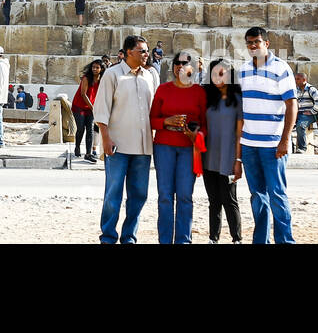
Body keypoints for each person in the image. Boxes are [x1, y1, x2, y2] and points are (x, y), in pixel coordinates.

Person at [95, 35, 156, 244]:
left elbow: (154, 110)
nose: (147, 54)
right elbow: (101, 109)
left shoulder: (150, 77)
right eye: (143, 51)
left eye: (147, 51)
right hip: (118, 146)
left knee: (139, 195)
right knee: (113, 195)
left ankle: (129, 236)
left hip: (143, 146)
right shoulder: (112, 75)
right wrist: (105, 139)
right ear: (129, 52)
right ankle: (108, 236)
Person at [240, 26, 297, 244]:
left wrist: (284, 141)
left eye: (257, 42)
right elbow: (241, 108)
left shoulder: (281, 68)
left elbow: (292, 105)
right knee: (257, 197)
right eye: (249, 43)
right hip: (249, 143)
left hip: (273, 144)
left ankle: (285, 240)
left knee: (278, 195)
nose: (253, 46)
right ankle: (260, 241)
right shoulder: (243, 69)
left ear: (266, 43)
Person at [151, 48, 207, 245]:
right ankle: (165, 240)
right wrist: (167, 122)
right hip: (164, 146)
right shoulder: (163, 89)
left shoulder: (199, 92)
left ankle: (183, 240)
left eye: (184, 63)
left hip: (188, 148)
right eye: (177, 63)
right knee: (165, 196)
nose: (180, 67)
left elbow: (206, 125)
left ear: (192, 68)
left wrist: (197, 135)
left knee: (185, 196)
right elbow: (152, 120)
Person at [202, 58, 244, 244]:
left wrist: (238, 160)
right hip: (208, 157)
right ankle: (213, 238)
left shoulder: (238, 100)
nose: (217, 77)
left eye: (222, 72)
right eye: (214, 73)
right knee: (213, 201)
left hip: (228, 157)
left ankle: (236, 238)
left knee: (229, 200)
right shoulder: (207, 98)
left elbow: (240, 133)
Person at [72, 60, 103, 162]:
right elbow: (83, 94)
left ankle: (88, 154)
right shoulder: (86, 78)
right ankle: (77, 147)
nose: (94, 69)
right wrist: (93, 107)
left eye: (97, 67)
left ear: (101, 69)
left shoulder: (102, 79)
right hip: (79, 106)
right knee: (81, 128)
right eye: (93, 67)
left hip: (91, 107)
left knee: (90, 130)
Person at [293, 72, 318, 152]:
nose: (296, 81)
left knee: (300, 126)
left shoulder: (311, 89)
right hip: (298, 114)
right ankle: (291, 147)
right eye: (295, 79)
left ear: (304, 80)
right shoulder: (297, 90)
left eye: (298, 79)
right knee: (286, 124)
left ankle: (302, 148)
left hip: (309, 115)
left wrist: (312, 112)